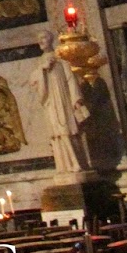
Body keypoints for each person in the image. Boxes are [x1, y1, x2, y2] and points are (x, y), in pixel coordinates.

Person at [34, 28, 89, 177]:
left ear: (50, 40)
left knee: (69, 130)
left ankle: (77, 163)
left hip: (64, 99)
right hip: (51, 102)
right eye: (39, 39)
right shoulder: (39, 62)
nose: (40, 42)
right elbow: (33, 81)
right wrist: (42, 70)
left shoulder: (61, 60)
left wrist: (76, 100)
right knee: (58, 133)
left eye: (43, 38)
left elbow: (71, 81)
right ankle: (64, 165)